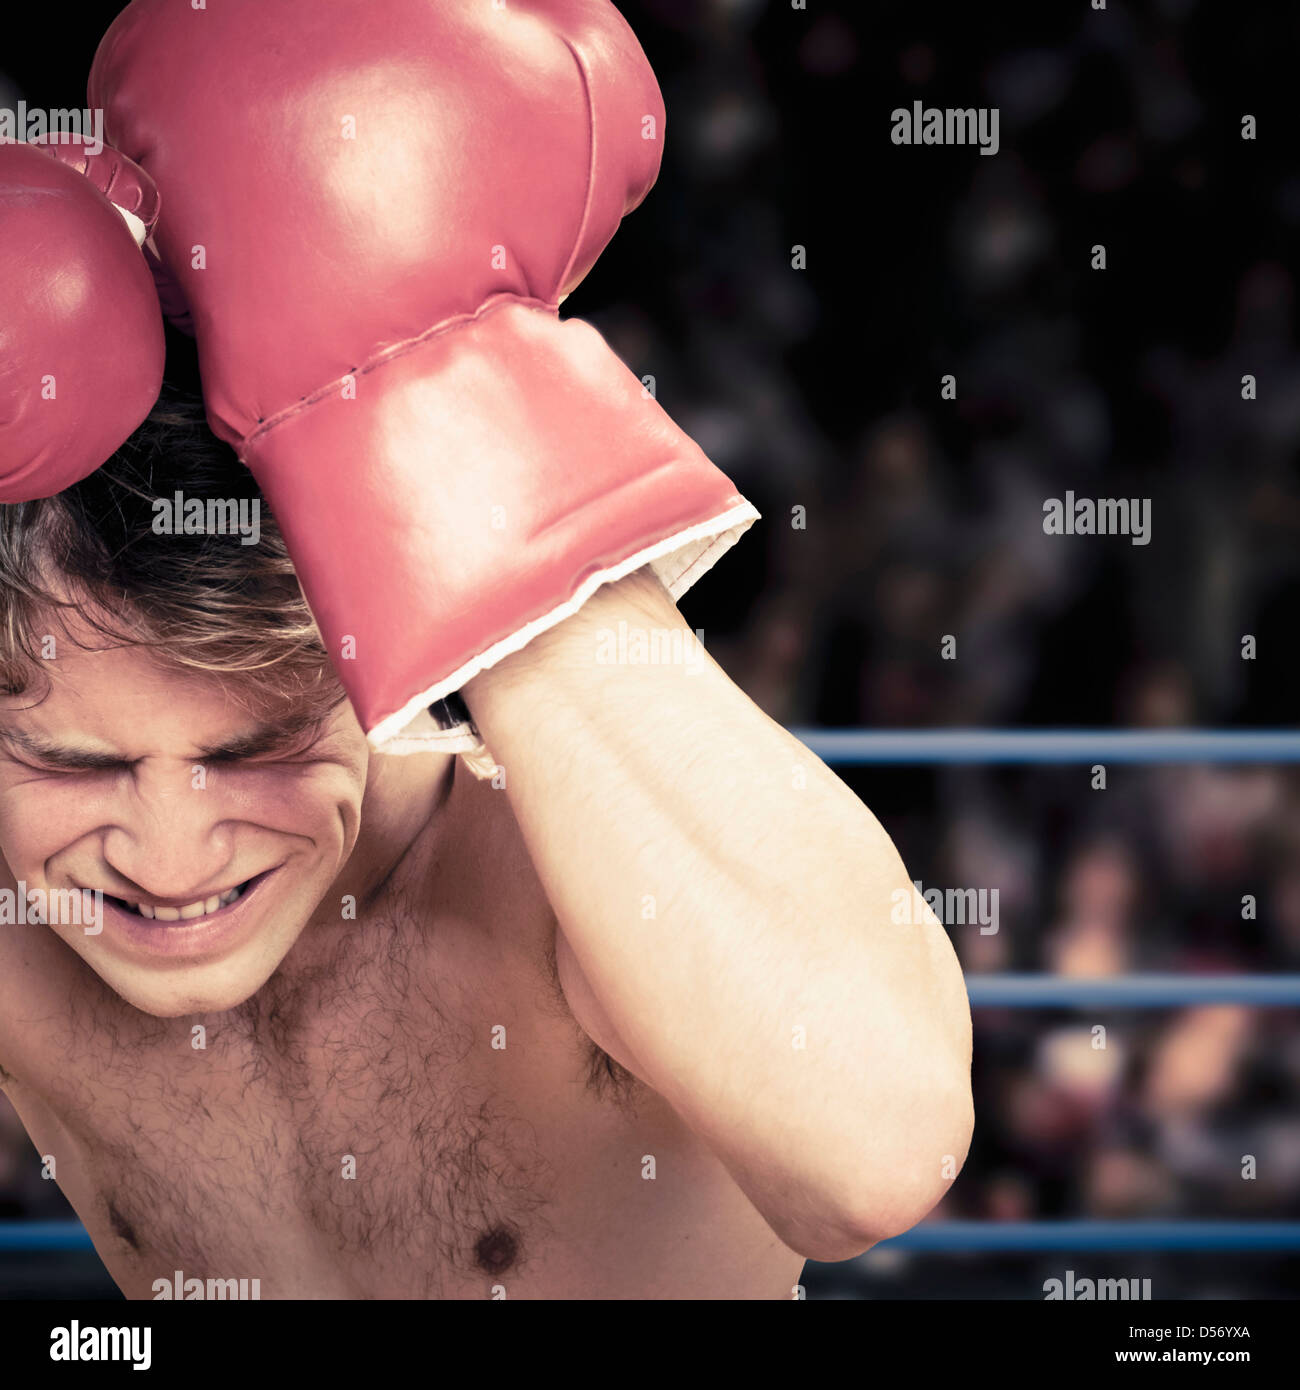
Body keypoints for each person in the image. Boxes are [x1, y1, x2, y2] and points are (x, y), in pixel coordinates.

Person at [0, 0, 972, 1298]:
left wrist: (435, 405)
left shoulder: (558, 890)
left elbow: (875, 1153)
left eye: (259, 746)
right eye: (79, 763)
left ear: (370, 669)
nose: (169, 859)